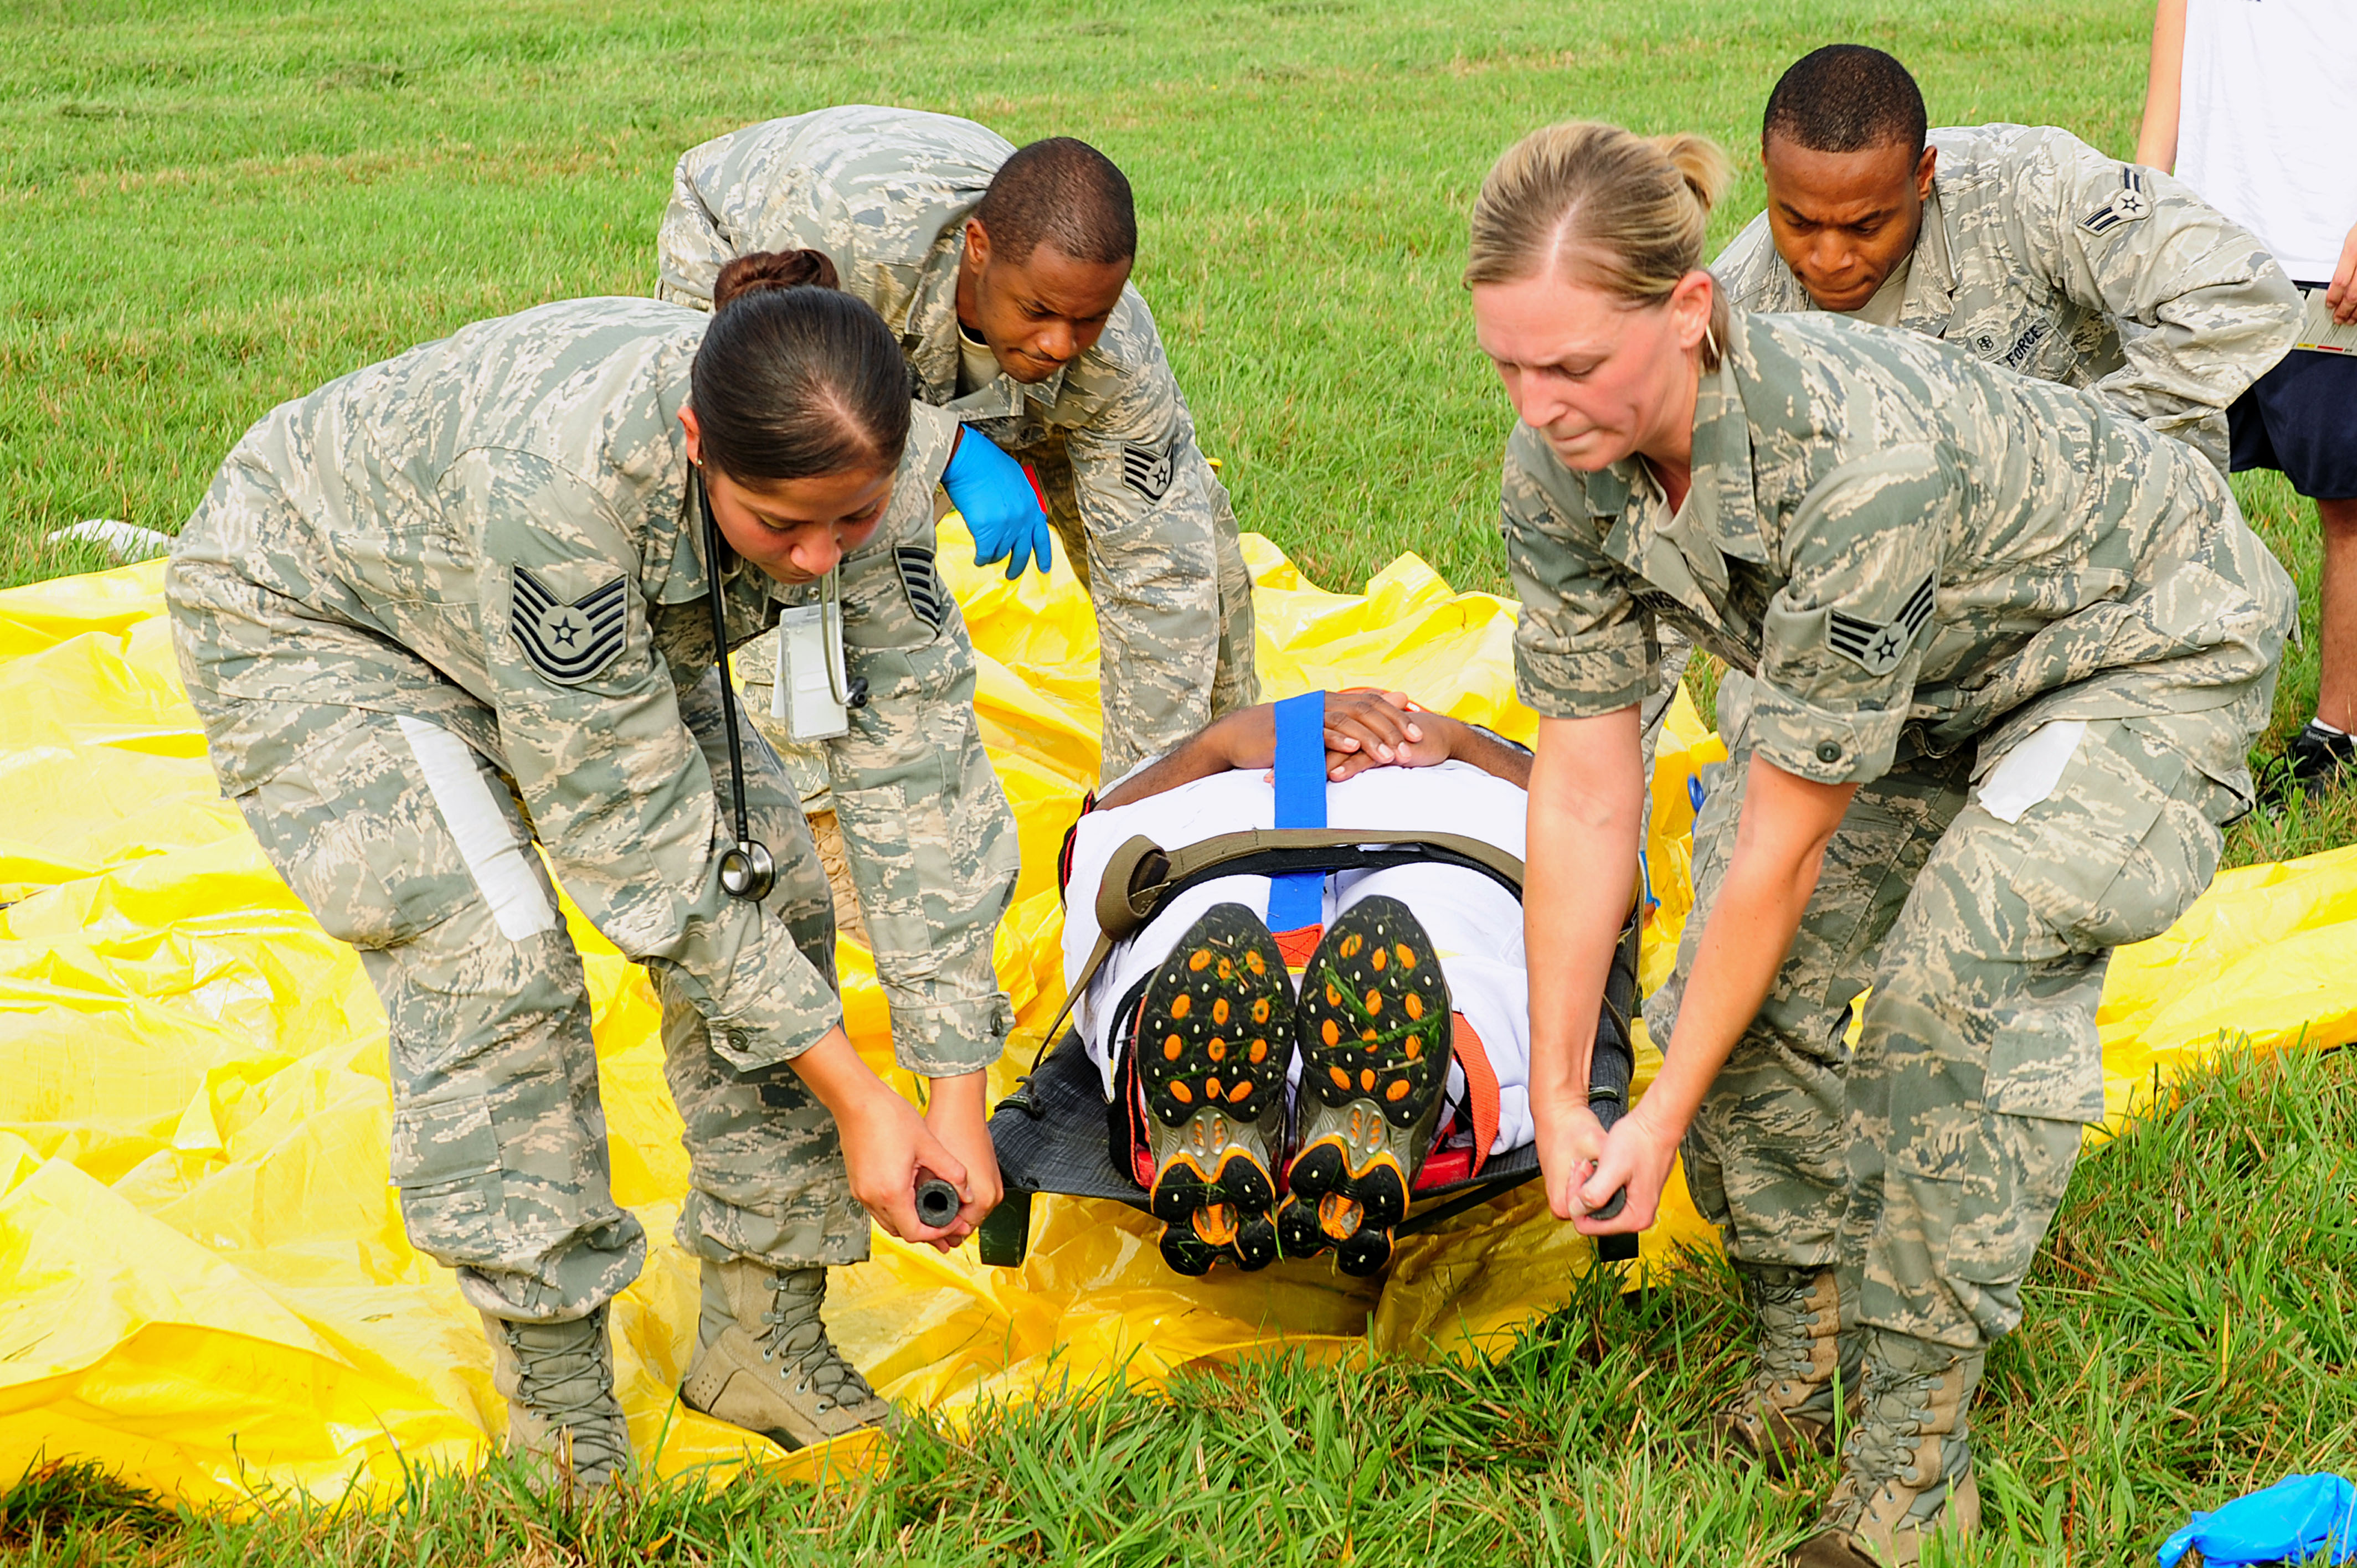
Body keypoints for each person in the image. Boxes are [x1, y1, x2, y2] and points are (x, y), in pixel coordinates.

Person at [1468, 122, 2291, 1566]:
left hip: (2140, 652)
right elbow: (1586, 794)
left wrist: (1655, 1120)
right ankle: (1816, 1331)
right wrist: (1571, 1082)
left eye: (1577, 367)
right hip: (1932, 692)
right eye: (1511, 369)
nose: (1542, 409)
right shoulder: (1560, 476)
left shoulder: (1859, 461)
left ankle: (1911, 1471)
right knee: (1718, 1007)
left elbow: (1784, 848)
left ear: (1689, 313)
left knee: (1949, 993)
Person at [166, 252, 1022, 1488]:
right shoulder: (561, 483)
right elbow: (637, 842)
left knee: (770, 878)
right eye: (782, 526)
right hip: (326, 623)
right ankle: (560, 1403)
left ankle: (759, 1335)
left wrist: (949, 1084)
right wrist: (854, 1097)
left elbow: (921, 768)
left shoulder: (858, 468)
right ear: (693, 439)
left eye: (853, 518)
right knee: (492, 953)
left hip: (559, 625)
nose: (823, 557)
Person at [657, 105, 1259, 781]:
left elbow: (1159, 577)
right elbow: (775, 391)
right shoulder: (851, 246)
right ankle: (801, 801)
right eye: (1036, 312)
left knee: (1202, 558)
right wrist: (945, 446)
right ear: (979, 248)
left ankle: (1224, 790)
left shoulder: (1116, 354)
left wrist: (1157, 795)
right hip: (747, 235)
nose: (1059, 344)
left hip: (909, 267)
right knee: (811, 520)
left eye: (1085, 318)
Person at [1057, 692, 1571, 1276]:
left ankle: (1198, 1107)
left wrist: (1459, 741)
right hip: (1221, 844)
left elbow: (1587, 803)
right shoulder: (1219, 761)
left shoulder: (1471, 758)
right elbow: (1096, 826)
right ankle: (1413, 1091)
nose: (1352, 726)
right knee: (1426, 955)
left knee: (1393, 942)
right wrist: (1220, 744)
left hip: (1430, 842)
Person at [1713, 44, 2300, 474]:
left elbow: (2243, 294)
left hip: (2108, 537)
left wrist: (2059, 452)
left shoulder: (2024, 188)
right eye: (1798, 223)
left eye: (1865, 226)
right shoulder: (1730, 314)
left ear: (1923, 177)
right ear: (1766, 173)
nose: (1828, 258)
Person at [2139, 0, 2357, 797]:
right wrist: (2142, 216)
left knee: (2349, 503)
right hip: (2202, 248)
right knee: (2161, 484)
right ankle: (2153, 719)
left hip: (2329, 257)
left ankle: (2342, 734)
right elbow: (2172, 76)